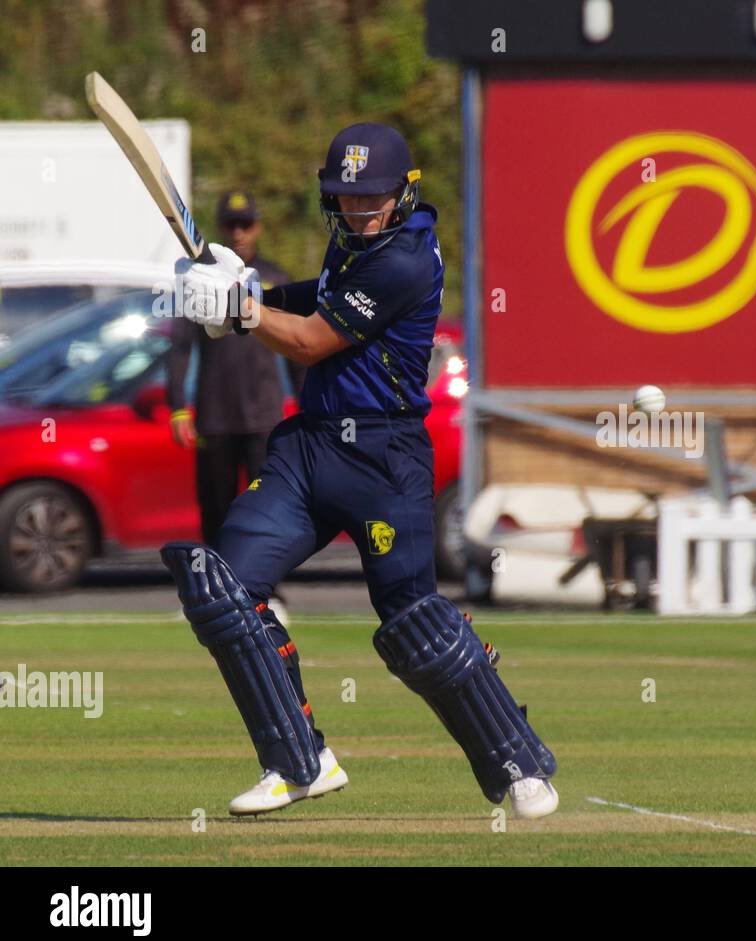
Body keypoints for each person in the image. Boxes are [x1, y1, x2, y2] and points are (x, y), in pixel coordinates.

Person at [161, 124, 558, 820]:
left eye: (371, 197)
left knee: (417, 629)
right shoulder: (355, 240)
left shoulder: (404, 259)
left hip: (385, 459)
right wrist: (249, 287)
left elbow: (314, 341)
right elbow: (319, 296)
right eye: (345, 198)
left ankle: (518, 761)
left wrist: (241, 310)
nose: (357, 210)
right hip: (310, 450)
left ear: (404, 193)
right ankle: (298, 761)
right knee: (220, 586)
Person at [166, 191, 303, 548]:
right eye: (231, 224)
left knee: (267, 509)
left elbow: (298, 347)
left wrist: (308, 409)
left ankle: (268, 590)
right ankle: (216, 588)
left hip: (264, 417)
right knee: (216, 510)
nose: (238, 233)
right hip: (216, 416)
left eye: (246, 224)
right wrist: (178, 407)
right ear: (221, 228)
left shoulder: (273, 276)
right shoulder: (202, 279)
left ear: (258, 226)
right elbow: (179, 345)